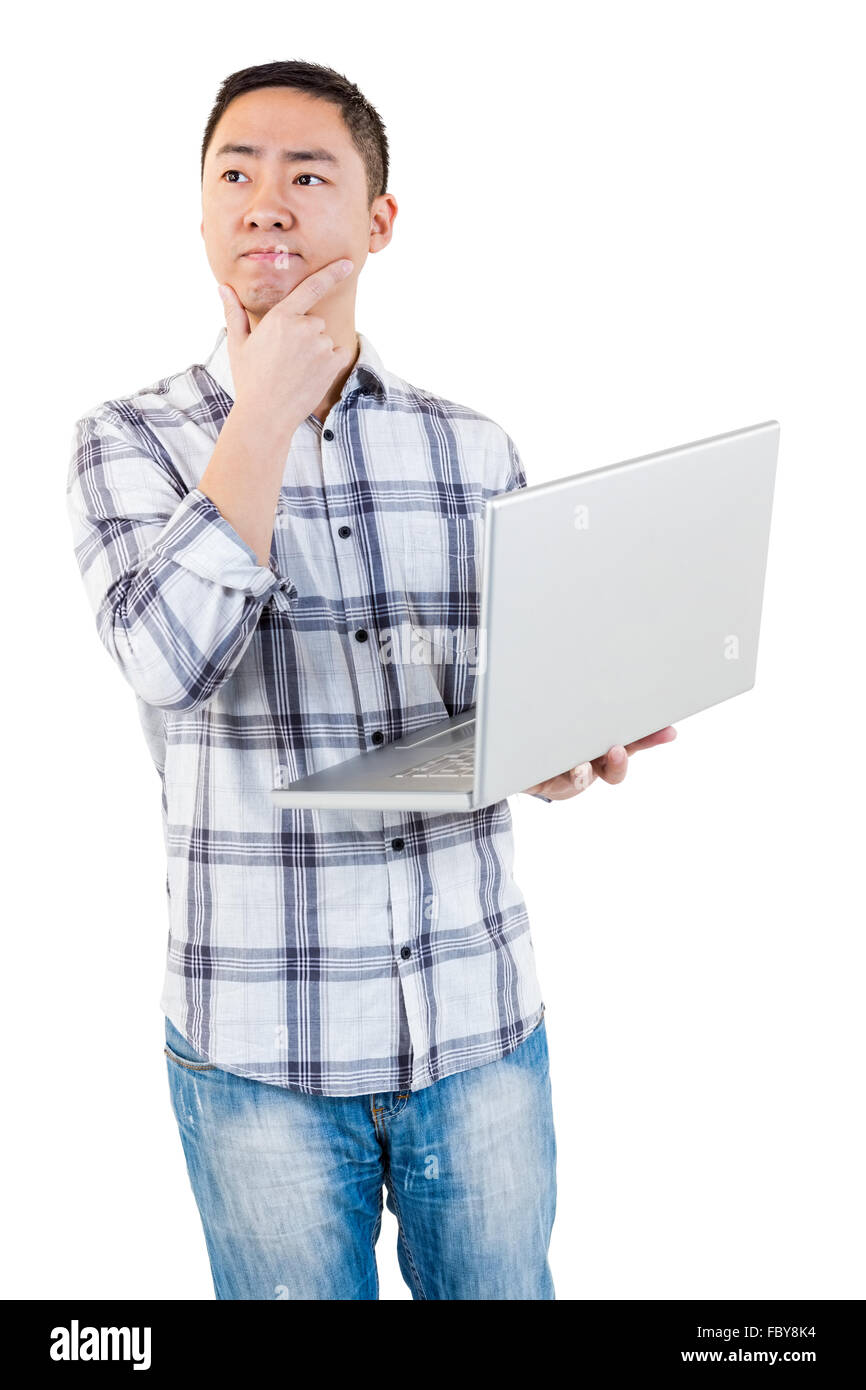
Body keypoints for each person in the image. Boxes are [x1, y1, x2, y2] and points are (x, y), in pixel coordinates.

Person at [66, 59, 676, 1301]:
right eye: (234, 173)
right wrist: (265, 416)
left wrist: (563, 749)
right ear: (199, 215)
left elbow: (503, 708)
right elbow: (168, 662)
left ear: (378, 219)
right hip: (260, 1051)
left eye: (307, 173)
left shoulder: (473, 447)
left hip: (477, 1026)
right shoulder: (125, 441)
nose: (265, 200)